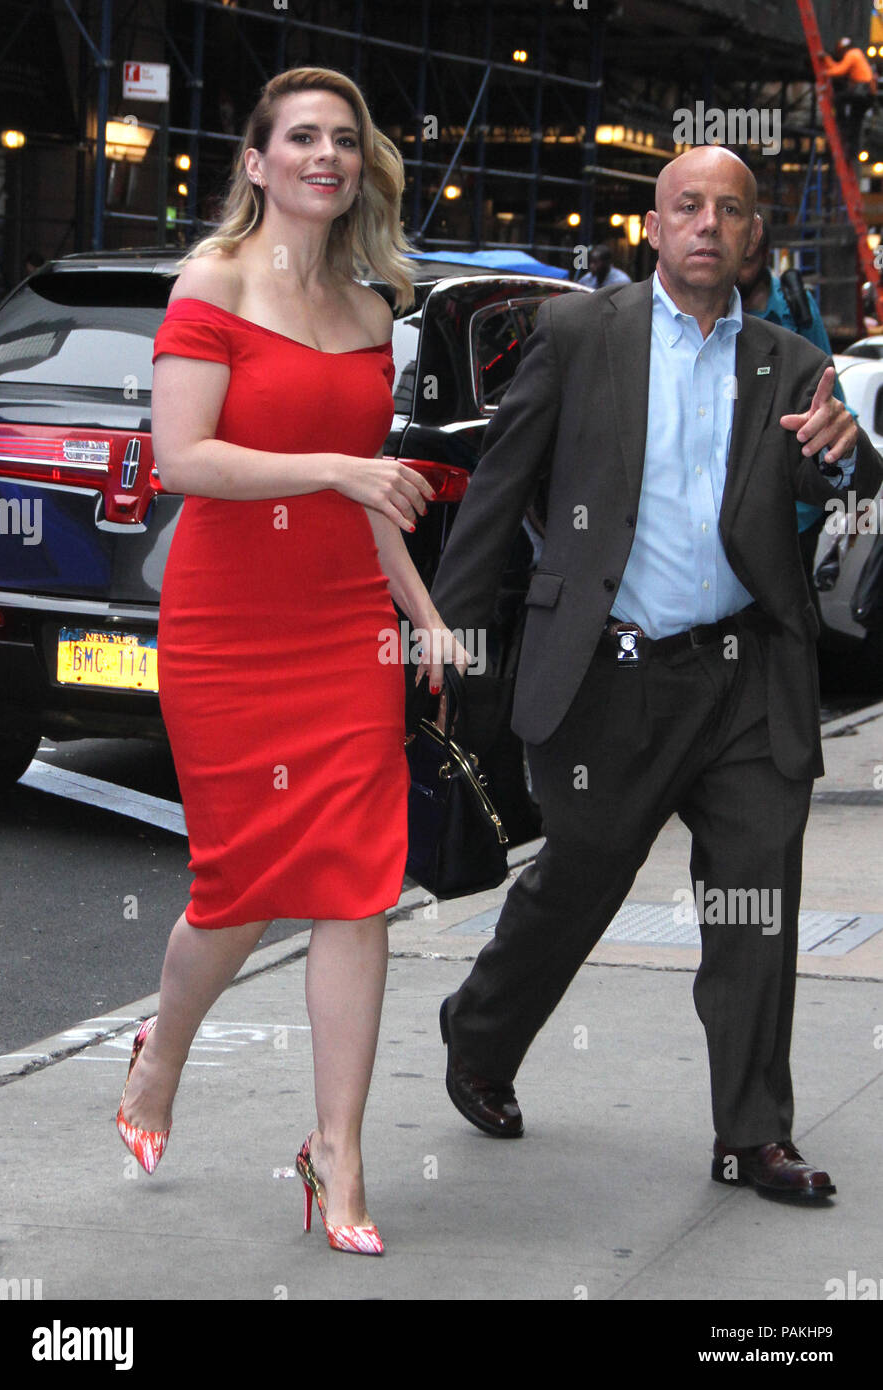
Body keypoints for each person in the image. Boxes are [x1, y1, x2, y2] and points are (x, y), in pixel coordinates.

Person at [431, 145, 881, 1202]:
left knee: (753, 903)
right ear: (652, 223)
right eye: (687, 206)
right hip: (608, 673)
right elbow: (499, 489)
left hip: (744, 677)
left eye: (730, 210)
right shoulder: (580, 334)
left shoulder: (785, 359)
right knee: (579, 880)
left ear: (752, 234)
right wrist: (444, 630)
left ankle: (749, 1134)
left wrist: (849, 450)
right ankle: (480, 1032)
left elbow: (846, 477)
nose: (707, 225)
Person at [115, 66, 459, 1256]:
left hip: (344, 625)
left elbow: (374, 498)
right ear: (255, 164)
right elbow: (184, 460)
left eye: (345, 140)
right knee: (239, 886)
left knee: (356, 887)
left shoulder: (374, 312)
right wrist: (334, 469)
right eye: (300, 137)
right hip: (229, 626)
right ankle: (160, 1056)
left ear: (361, 169)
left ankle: (339, 1153)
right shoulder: (209, 281)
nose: (326, 154)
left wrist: (420, 613)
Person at [736, 215, 854, 613]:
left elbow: (831, 397)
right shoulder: (717, 309)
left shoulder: (795, 312)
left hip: (791, 511)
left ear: (766, 255)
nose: (739, 270)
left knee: (794, 618)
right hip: (733, 505)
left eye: (749, 261)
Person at [823, 37, 877, 158]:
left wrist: (825, 73)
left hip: (862, 92)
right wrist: (827, 60)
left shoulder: (852, 54)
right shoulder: (856, 54)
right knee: (855, 122)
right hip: (867, 95)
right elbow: (838, 67)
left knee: (838, 99)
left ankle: (841, 124)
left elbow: (840, 70)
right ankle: (851, 151)